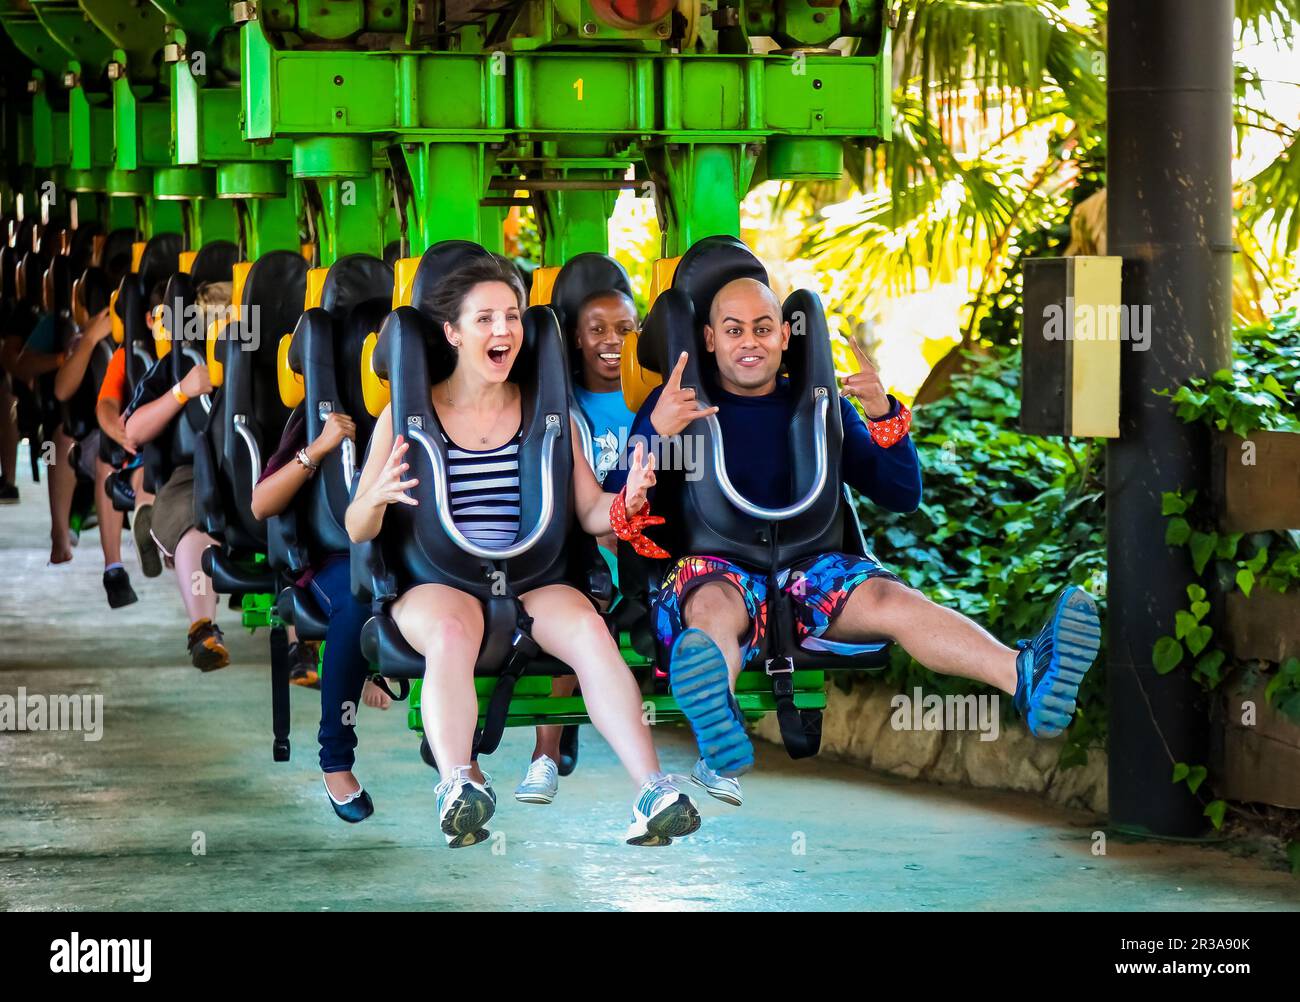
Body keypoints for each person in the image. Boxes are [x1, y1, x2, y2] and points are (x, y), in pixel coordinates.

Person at [603, 276, 1103, 808]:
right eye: (734, 330)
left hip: (811, 569)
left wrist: (884, 414)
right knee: (714, 605)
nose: (750, 341)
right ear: (708, 339)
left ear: (785, 337)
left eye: (764, 328)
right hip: (713, 568)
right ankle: (717, 718)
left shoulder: (821, 405)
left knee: (892, 599)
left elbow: (902, 492)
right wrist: (654, 434)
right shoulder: (672, 404)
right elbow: (613, 508)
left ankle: (1023, 674)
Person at [345, 255, 702, 849]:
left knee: (590, 631)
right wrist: (378, 497)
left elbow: (589, 512)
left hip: (531, 578)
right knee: (452, 634)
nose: (503, 331)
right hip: (438, 583)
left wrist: (626, 502)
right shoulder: (404, 416)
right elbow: (358, 525)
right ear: (452, 333)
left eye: (511, 317)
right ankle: (458, 785)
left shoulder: (547, 412)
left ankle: (653, 789)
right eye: (484, 318)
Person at [512, 287, 642, 806]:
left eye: (625, 329)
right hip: (582, 539)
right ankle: (545, 750)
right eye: (598, 330)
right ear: (576, 340)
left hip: (646, 536)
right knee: (576, 596)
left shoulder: (654, 398)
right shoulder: (558, 405)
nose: (612, 341)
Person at [251, 403, 387, 821]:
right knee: (358, 597)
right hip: (337, 560)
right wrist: (320, 446)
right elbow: (261, 504)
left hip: (413, 554)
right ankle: (336, 759)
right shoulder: (322, 409)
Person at [123, 281, 231, 670]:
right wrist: (181, 392)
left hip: (257, 470)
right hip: (194, 473)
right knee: (195, 524)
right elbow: (132, 431)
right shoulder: (174, 367)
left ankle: (300, 644)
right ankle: (203, 627)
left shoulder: (271, 359)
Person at [51, 267, 139, 606]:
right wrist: (89, 339)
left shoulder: (152, 331)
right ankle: (107, 564)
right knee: (68, 446)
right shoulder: (86, 339)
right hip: (97, 438)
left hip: (147, 432)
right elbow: (61, 391)